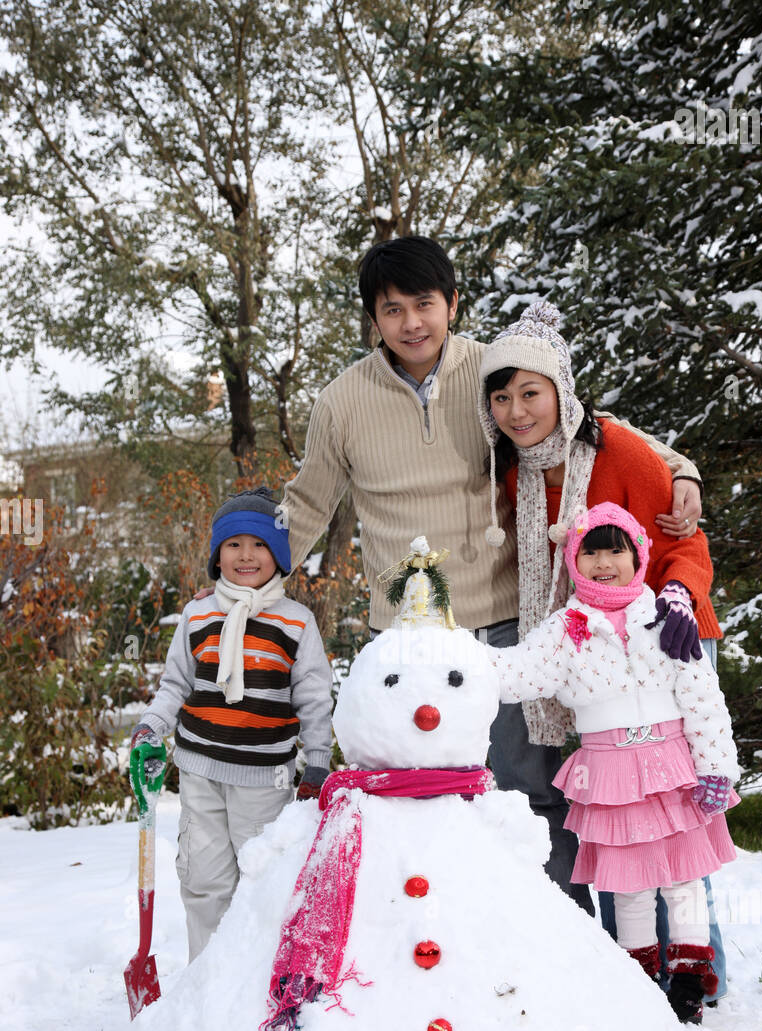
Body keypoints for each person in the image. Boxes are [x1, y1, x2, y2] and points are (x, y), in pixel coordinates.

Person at [280, 235, 703, 916]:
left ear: (452, 302)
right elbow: (306, 501)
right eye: (393, 310)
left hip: (508, 622)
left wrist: (679, 468)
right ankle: (449, 953)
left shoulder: (493, 372)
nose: (412, 323)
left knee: (527, 792)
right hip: (409, 638)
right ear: (373, 318)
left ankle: (567, 940)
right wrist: (244, 577)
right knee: (421, 804)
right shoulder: (341, 402)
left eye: (425, 304)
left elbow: (581, 422)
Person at [478, 299, 729, 1001]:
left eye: (531, 392)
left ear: (562, 388)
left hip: (667, 632)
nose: (518, 410)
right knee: (625, 823)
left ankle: (704, 974)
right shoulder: (517, 470)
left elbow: (683, 541)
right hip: (588, 650)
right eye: (502, 397)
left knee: (681, 818)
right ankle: (631, 972)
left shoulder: (617, 449)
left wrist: (677, 596)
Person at [485, 503, 739, 1024]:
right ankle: (640, 979)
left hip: (675, 767)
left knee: (685, 880)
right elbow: (518, 673)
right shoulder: (566, 628)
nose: (604, 562)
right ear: (575, 562)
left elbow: (703, 698)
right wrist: (458, 660)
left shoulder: (668, 617)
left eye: (615, 550)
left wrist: (717, 767)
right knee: (630, 884)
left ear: (638, 556)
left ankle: (690, 980)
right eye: (591, 552)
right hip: (611, 773)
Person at [128, 488, 333, 962]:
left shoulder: (296, 623)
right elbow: (175, 682)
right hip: (200, 771)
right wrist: (151, 727)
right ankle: (205, 982)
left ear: (278, 555)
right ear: (216, 555)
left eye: (259, 544)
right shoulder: (197, 615)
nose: (245, 555)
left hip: (266, 779)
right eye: (233, 544)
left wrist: (318, 762)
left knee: (263, 880)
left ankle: (253, 984)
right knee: (203, 879)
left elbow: (314, 698)